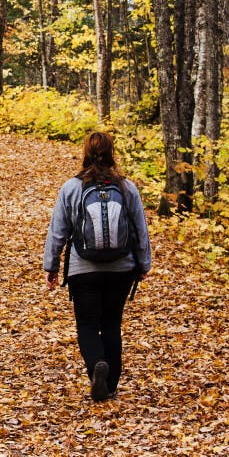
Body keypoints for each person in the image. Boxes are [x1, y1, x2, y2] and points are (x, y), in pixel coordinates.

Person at [43, 131, 151, 402]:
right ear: (112, 153)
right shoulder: (127, 188)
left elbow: (58, 230)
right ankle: (110, 385)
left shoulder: (72, 188)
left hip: (83, 269)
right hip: (121, 268)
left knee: (88, 324)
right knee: (112, 323)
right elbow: (140, 230)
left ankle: (96, 367)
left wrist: (51, 266)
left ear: (86, 153)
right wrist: (143, 264)